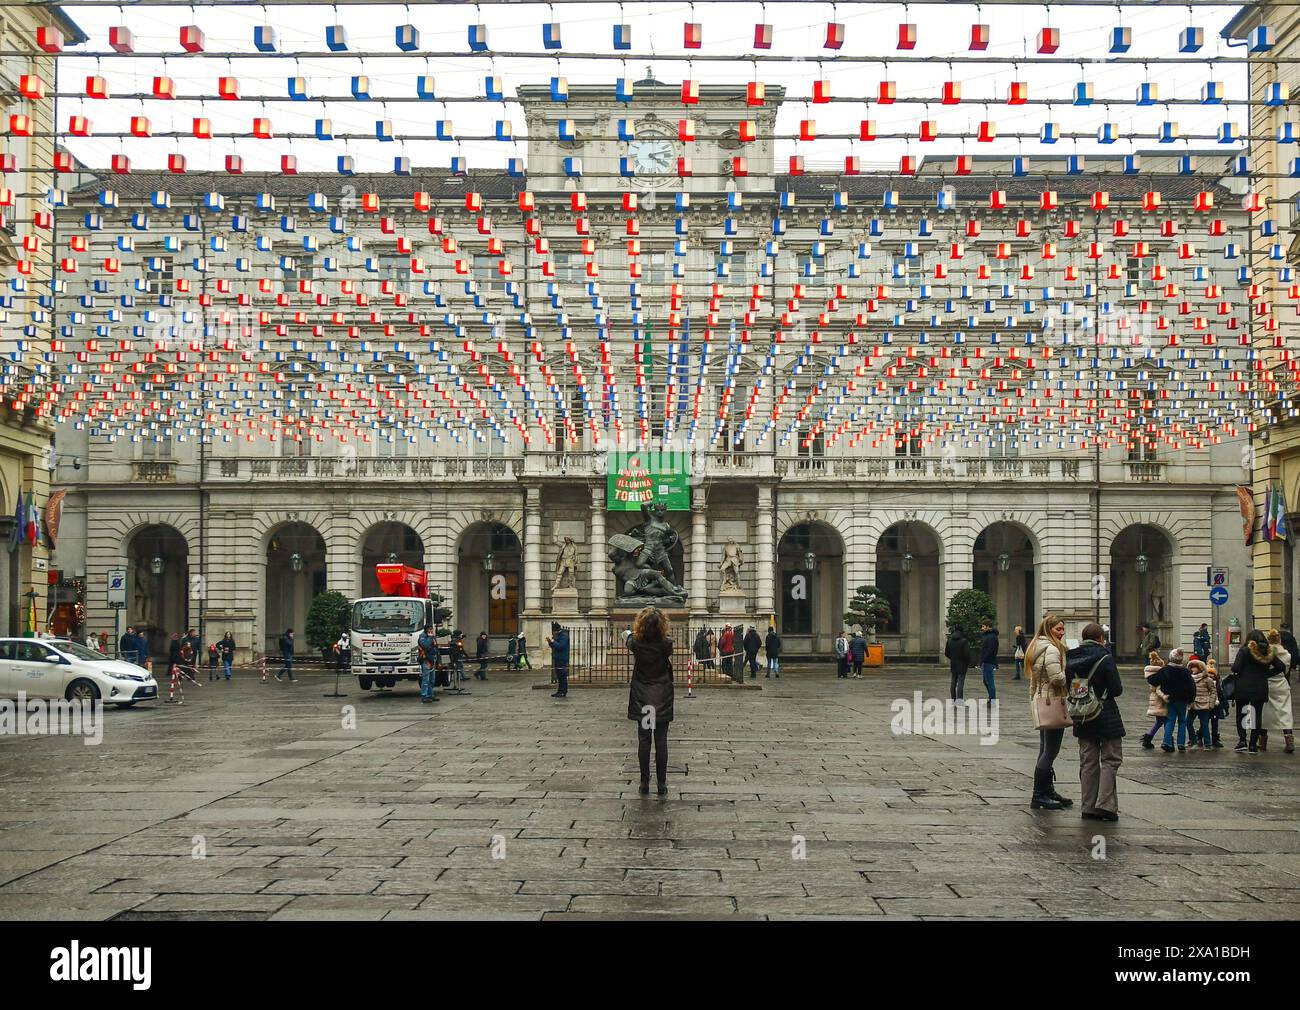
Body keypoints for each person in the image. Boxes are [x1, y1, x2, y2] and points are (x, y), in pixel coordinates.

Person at [1070, 623, 1125, 822]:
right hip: (1105, 714)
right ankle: (1105, 805)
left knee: (1088, 762)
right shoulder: (1105, 658)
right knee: (1111, 759)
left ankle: (1088, 806)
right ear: (1101, 638)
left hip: (1082, 714)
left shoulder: (1071, 657)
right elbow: (1116, 689)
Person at [626, 606, 674, 797]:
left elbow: (627, 637)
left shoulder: (636, 644)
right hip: (661, 698)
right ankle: (661, 784)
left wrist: (632, 632)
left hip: (645, 700)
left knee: (644, 741)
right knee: (661, 741)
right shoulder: (666, 644)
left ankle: (644, 782)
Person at [1027, 614, 1071, 811]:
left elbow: (1033, 681)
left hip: (1042, 699)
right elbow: (1057, 679)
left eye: (1063, 629)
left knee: (1045, 748)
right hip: (1052, 700)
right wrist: (1070, 672)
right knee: (1051, 750)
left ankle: (1047, 790)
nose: (1061, 633)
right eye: (1058, 629)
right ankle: (1039, 795)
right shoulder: (1052, 649)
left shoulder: (1038, 646)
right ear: (1048, 629)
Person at [1229, 630, 1282, 753]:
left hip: (1243, 686)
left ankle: (1242, 741)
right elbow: (1281, 667)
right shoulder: (1268, 651)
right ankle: (1253, 744)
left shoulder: (1245, 650)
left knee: (1242, 713)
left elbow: (1236, 668)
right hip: (1260, 686)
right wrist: (1266, 674)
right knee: (1256, 715)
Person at [1147, 647, 1196, 753]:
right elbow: (1192, 687)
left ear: (1170, 658)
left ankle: (1167, 741)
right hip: (1183, 700)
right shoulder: (1186, 672)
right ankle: (1181, 743)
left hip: (1170, 699)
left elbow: (1153, 680)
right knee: (1182, 721)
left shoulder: (1165, 670)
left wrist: (1151, 671)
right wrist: (1191, 699)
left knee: (1170, 720)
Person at [1261, 628, 1295, 754]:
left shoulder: (1265, 654)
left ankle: (1262, 742)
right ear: (1279, 639)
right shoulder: (1287, 655)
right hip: (1282, 684)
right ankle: (1289, 740)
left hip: (1268, 684)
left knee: (1265, 713)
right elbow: (1286, 671)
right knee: (1285, 712)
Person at [1140, 650, 1168, 750]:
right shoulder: (1160, 676)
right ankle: (1167, 740)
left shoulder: (1150, 675)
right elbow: (1159, 690)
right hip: (1160, 700)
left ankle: (1148, 738)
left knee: (1160, 721)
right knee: (1165, 721)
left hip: (1154, 700)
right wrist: (1165, 697)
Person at [1189, 656, 1218, 749]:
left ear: (1200, 668)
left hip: (1204, 704)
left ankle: (1207, 743)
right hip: (1193, 704)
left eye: (1194, 667)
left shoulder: (1207, 680)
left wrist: (1211, 703)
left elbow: (1213, 691)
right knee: (1188, 722)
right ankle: (1193, 739)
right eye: (1191, 667)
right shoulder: (1190, 679)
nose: (1193, 669)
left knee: (1204, 724)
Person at [944, 626, 971, 700]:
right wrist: (967, 662)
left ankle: (953, 699)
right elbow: (967, 654)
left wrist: (952, 658)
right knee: (960, 683)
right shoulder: (964, 641)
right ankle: (960, 701)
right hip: (962, 664)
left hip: (953, 664)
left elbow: (946, 653)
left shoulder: (949, 641)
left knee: (953, 683)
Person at [417, 624, 439, 704]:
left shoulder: (432, 637)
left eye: (432, 629)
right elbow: (425, 645)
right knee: (426, 680)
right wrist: (430, 637)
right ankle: (424, 695)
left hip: (432, 659)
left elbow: (436, 648)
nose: (431, 631)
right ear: (426, 630)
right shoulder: (422, 637)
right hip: (426, 660)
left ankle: (430, 694)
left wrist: (438, 660)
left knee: (432, 680)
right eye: (430, 629)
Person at [978, 620, 999, 701]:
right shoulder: (988, 636)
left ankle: (992, 699)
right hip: (986, 662)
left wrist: (984, 658)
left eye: (983, 626)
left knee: (989, 681)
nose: (982, 628)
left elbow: (990, 651)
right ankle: (991, 697)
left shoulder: (991, 637)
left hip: (988, 662)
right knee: (986, 681)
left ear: (988, 626)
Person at [548, 622, 569, 698]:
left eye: (553, 631)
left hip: (562, 658)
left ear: (556, 630)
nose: (553, 633)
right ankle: (560, 691)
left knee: (562, 675)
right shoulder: (559, 635)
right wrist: (550, 643)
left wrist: (553, 641)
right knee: (559, 676)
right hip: (558, 657)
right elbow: (555, 647)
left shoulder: (563, 636)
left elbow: (561, 646)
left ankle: (563, 691)